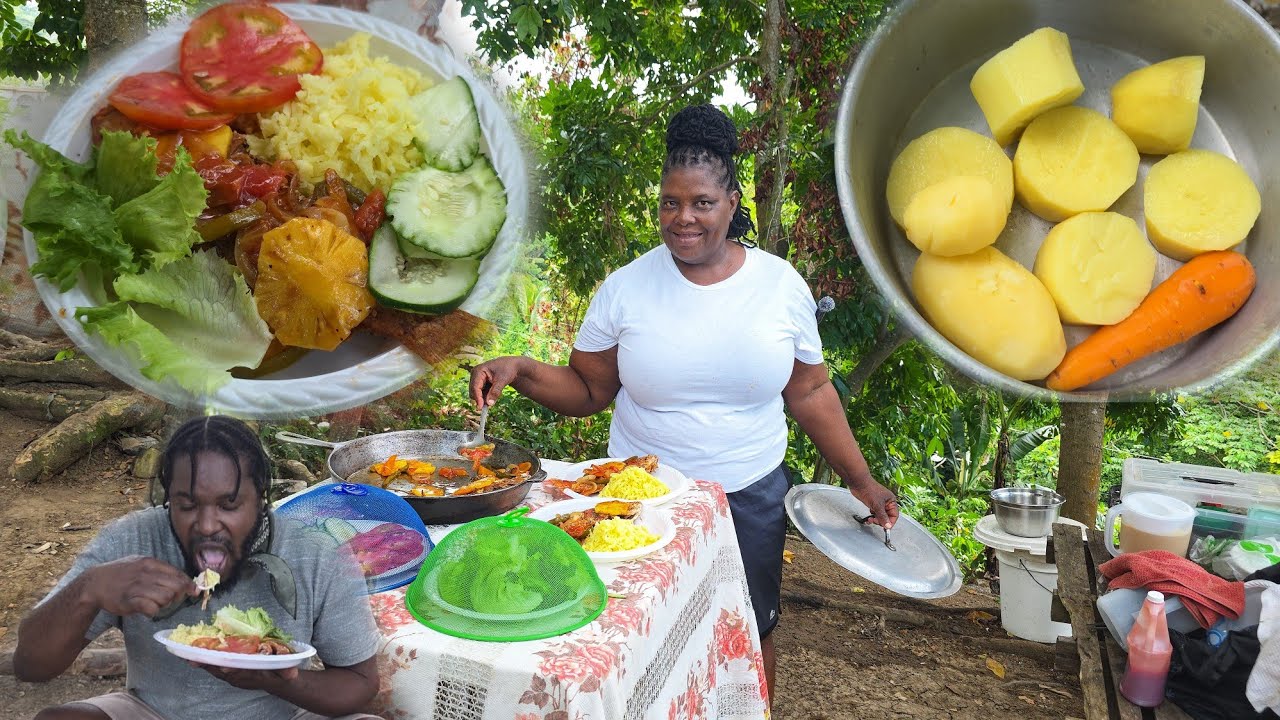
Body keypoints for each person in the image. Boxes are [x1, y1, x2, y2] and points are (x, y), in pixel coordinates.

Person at [469, 103, 900, 703]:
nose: (683, 218)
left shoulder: (779, 286)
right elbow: (590, 389)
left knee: (749, 630)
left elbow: (809, 391)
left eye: (701, 203)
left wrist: (861, 479)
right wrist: (518, 369)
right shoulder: (626, 288)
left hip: (748, 496)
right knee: (643, 635)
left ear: (731, 204)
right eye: (671, 202)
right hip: (642, 502)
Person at [15, 416, 382, 720]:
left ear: (261, 500)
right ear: (168, 500)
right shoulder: (129, 541)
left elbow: (361, 682)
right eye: (187, 505)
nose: (207, 525)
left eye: (229, 504)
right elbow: (30, 665)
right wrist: (88, 589)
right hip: (153, 711)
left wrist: (281, 682)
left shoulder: (315, 554)